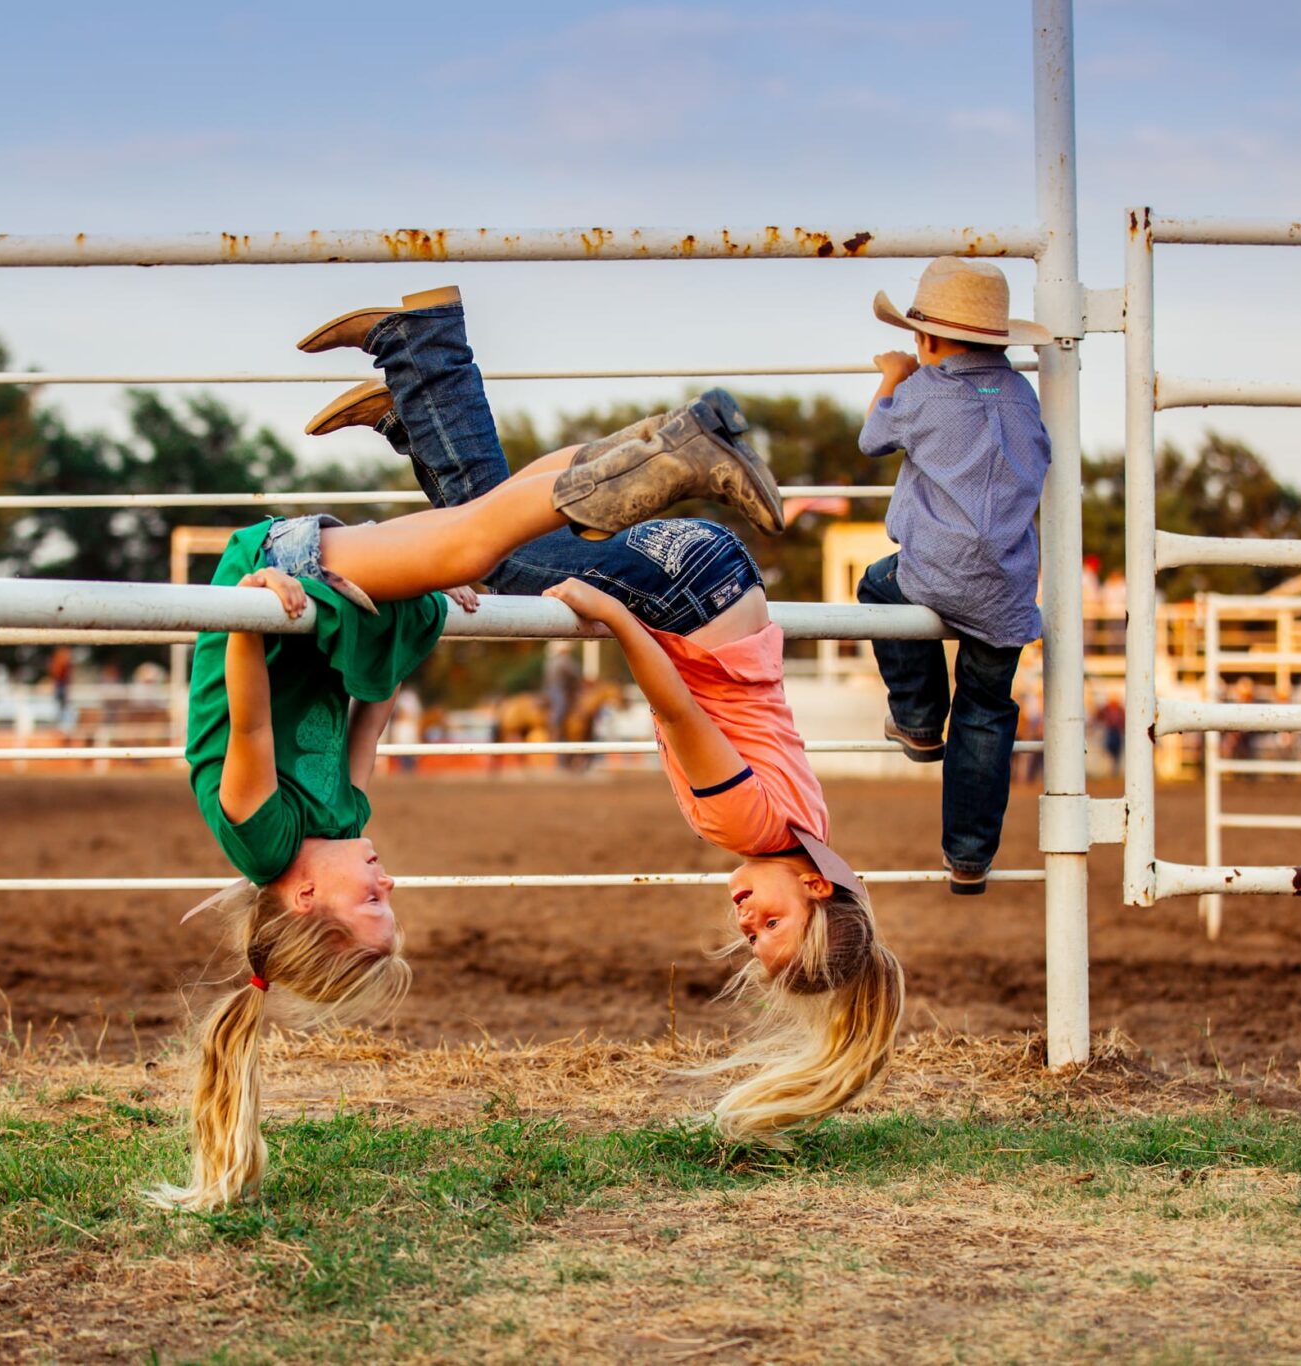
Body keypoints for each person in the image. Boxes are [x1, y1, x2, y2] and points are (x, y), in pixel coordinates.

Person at [154, 328, 785, 1212]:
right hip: (332, 630)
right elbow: (368, 706)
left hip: (266, 591)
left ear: (304, 902)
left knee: (470, 544)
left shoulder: (262, 843)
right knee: (473, 549)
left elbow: (249, 721)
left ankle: (670, 453)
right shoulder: (342, 821)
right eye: (390, 900)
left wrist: (248, 615)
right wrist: (422, 607)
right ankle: (665, 437)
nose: (388, 881)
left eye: (371, 903)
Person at [300, 286, 904, 1142]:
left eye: (748, 937)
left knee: (501, 518)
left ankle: (418, 400)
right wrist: (614, 620)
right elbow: (676, 706)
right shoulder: (744, 821)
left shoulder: (808, 826)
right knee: (496, 554)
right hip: (686, 600)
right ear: (814, 888)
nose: (742, 919)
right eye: (770, 922)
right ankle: (429, 354)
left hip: (714, 583)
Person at [854, 257, 1052, 895]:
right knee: (988, 709)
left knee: (876, 587)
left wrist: (892, 378)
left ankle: (916, 716)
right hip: (1009, 585)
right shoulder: (1017, 392)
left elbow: (872, 439)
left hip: (937, 571)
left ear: (927, 340)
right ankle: (969, 856)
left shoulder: (923, 390)